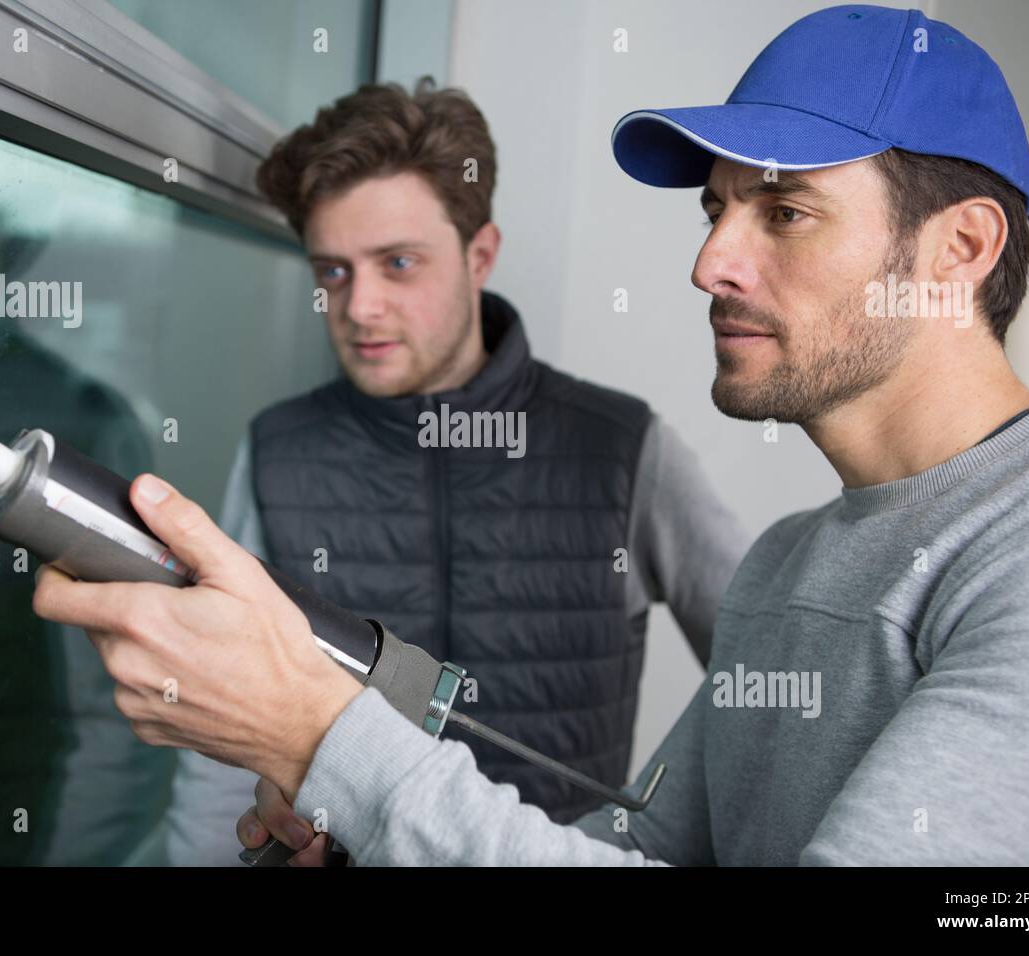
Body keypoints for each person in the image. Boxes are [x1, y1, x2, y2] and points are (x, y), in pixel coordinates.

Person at [33, 5, 1029, 865]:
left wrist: (329, 742)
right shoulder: (790, 559)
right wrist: (366, 823)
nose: (710, 264)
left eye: (782, 212)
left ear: (959, 248)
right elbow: (641, 847)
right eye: (714, 212)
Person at [163, 79, 750, 864]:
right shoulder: (278, 451)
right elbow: (214, 761)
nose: (360, 306)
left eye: (397, 263)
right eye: (333, 272)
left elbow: (770, 685)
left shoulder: (621, 447)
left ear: (480, 256)